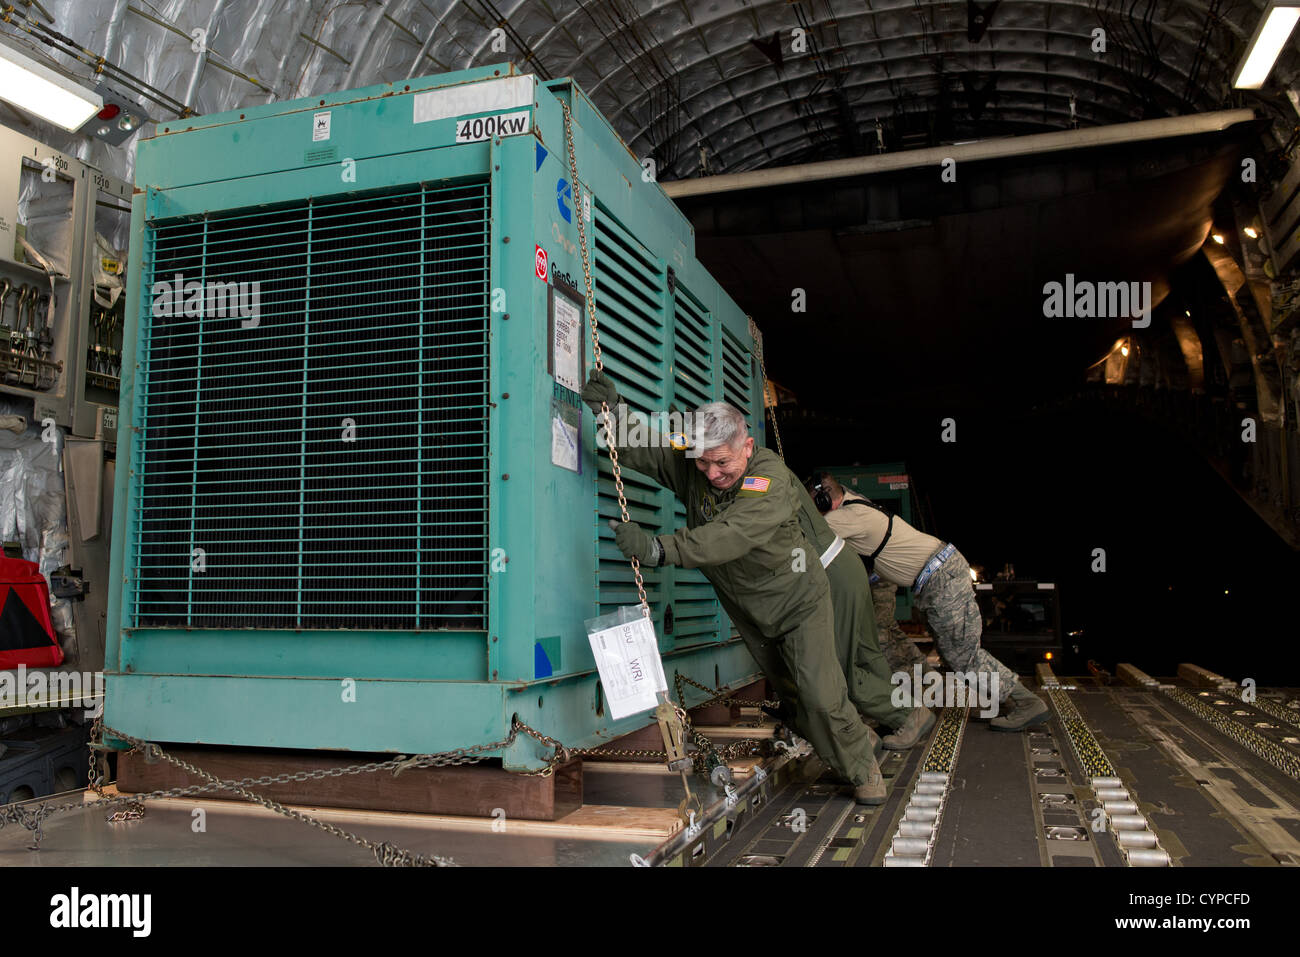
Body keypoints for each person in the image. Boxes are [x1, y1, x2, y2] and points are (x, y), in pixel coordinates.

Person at [581, 370, 887, 803]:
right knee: (795, 701)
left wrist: (656, 548)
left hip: (799, 602)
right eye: (703, 462)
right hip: (750, 611)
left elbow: (733, 534)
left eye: (722, 462)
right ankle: (852, 751)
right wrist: (613, 414)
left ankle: (864, 770)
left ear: (746, 446)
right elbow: (649, 451)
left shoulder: (770, 478)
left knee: (821, 692)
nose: (711, 473)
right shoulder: (697, 465)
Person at [807, 472, 1049, 731]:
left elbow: (807, 536)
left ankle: (1027, 703)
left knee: (963, 656)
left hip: (942, 577)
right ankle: (1004, 698)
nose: (816, 511)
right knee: (952, 654)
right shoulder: (853, 500)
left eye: (815, 504)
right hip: (939, 575)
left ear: (824, 499)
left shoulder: (844, 517)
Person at [869, 574, 928, 675]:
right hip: (882, 574)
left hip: (878, 575)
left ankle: (909, 678)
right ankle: (924, 670)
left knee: (880, 632)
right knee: (889, 627)